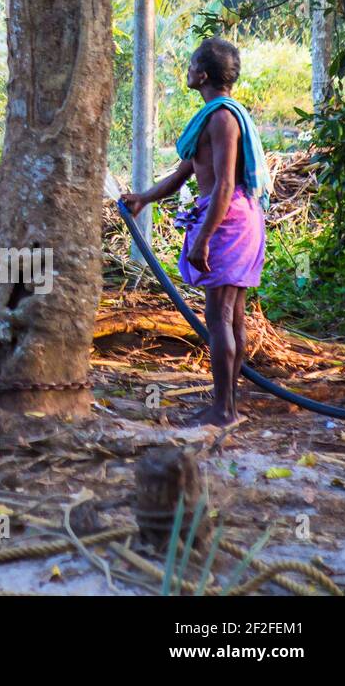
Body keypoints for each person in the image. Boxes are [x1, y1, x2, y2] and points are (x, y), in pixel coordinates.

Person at [122, 37, 270, 426]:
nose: (187, 71)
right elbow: (186, 172)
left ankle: (223, 410)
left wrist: (203, 238)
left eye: (190, 65)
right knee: (231, 317)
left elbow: (222, 185)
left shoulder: (222, 119)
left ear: (201, 74)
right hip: (237, 218)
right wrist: (143, 199)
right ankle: (228, 406)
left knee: (221, 317)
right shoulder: (213, 117)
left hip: (228, 221)